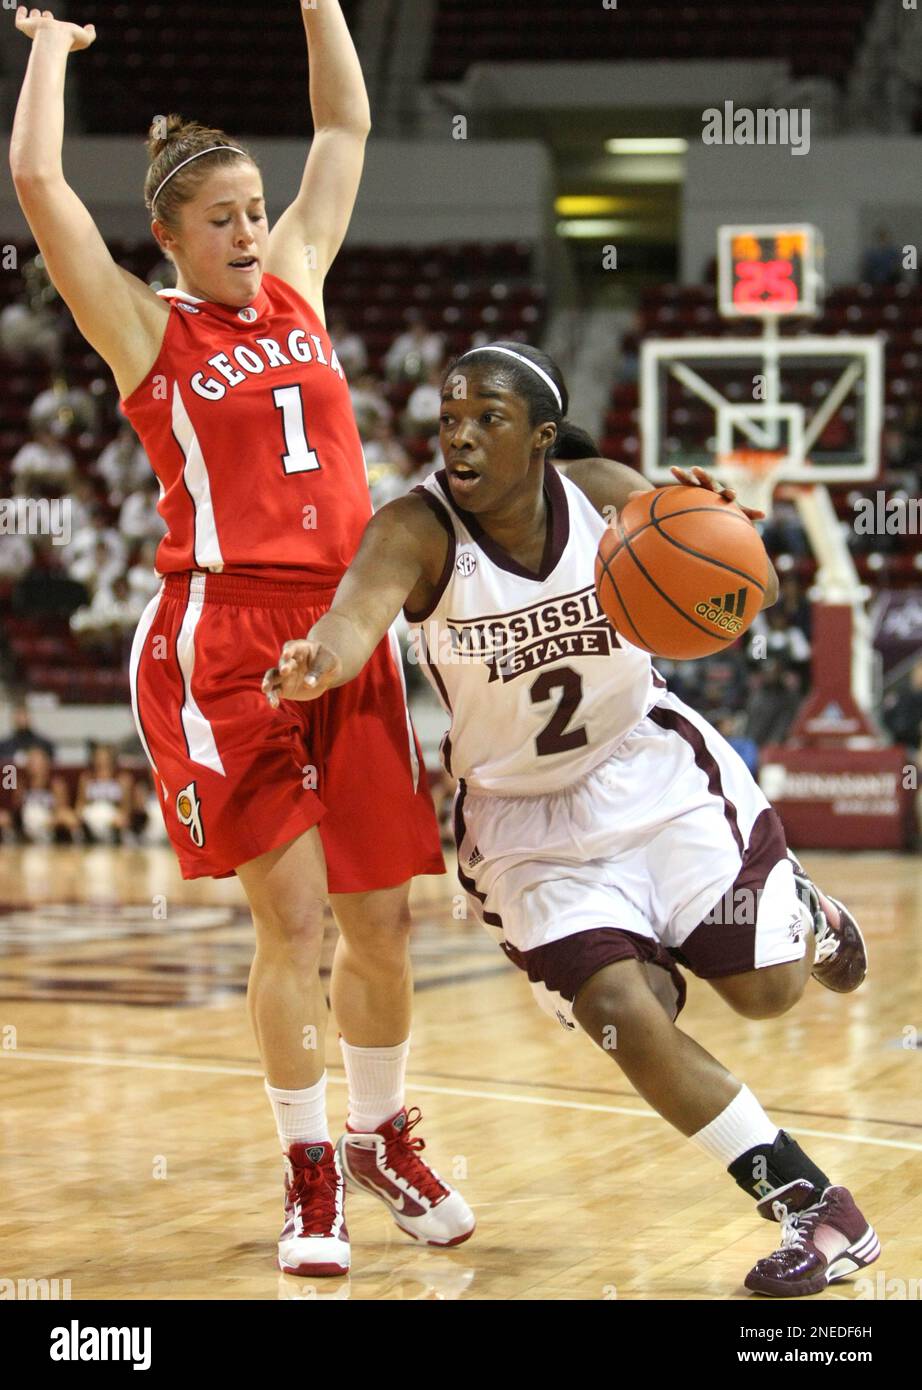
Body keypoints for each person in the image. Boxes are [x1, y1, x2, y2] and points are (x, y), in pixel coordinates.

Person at [11, 1, 472, 1279]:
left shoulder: (303, 286)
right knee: (301, 921)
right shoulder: (145, 330)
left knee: (384, 922)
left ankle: (383, 1133)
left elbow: (345, 119)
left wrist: (320, 1)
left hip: (347, 626)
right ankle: (310, 1173)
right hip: (224, 640)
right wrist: (51, 46)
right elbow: (38, 177)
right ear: (166, 237)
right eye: (220, 218)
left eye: (255, 209)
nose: (249, 230)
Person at [265, 341, 879, 1299]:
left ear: (542, 438)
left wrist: (712, 526)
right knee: (621, 1015)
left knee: (766, 994)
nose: (460, 435)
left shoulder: (606, 493)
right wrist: (322, 657)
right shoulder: (416, 530)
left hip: (651, 775)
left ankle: (806, 911)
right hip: (524, 827)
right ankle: (814, 1208)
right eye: (450, 417)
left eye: (488, 419)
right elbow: (357, 613)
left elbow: (711, 574)